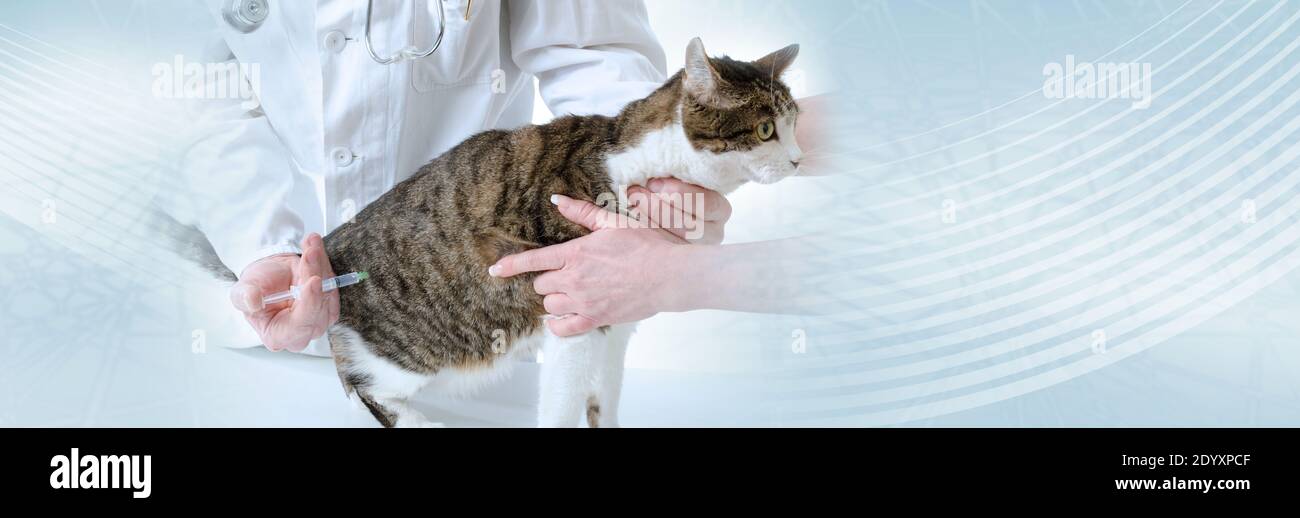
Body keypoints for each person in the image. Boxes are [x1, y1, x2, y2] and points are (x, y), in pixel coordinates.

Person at [182, 0, 818, 354]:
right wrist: (263, 244)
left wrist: (654, 182)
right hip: (260, 332)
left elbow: (590, 48)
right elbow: (206, 93)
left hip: (478, 318)